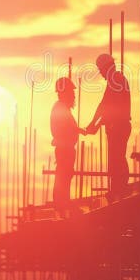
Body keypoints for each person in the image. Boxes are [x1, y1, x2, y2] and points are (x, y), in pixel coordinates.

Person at [85, 53, 131, 199]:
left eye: (101, 70)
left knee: (117, 159)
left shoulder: (116, 80)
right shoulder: (114, 81)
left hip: (119, 126)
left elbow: (110, 108)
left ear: (106, 68)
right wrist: (94, 123)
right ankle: (118, 188)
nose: (101, 74)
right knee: (116, 159)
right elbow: (103, 106)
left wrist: (96, 124)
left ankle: (120, 189)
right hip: (116, 127)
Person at [50, 77, 86, 215]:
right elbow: (65, 127)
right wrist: (78, 130)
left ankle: (63, 201)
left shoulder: (62, 108)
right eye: (71, 91)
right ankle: (61, 202)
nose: (74, 95)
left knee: (65, 174)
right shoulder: (60, 108)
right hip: (65, 148)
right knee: (64, 175)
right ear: (64, 92)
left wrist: (77, 130)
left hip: (66, 147)